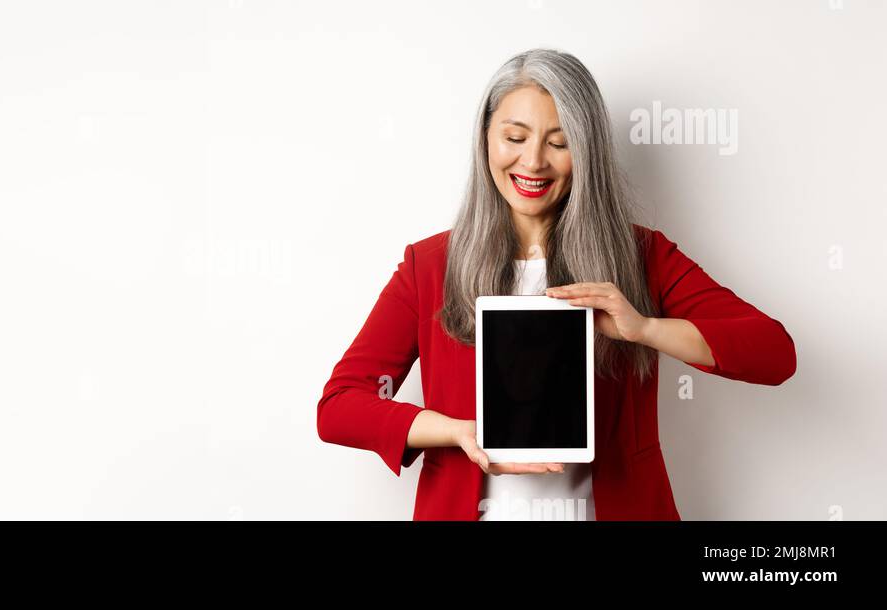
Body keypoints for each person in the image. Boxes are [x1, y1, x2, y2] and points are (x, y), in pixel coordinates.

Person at [315, 48, 796, 520]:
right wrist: (458, 432)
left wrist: (644, 328)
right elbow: (339, 406)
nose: (533, 162)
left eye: (559, 143)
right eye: (515, 137)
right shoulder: (431, 264)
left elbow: (774, 353)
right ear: (486, 138)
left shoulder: (641, 256)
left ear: (586, 152)